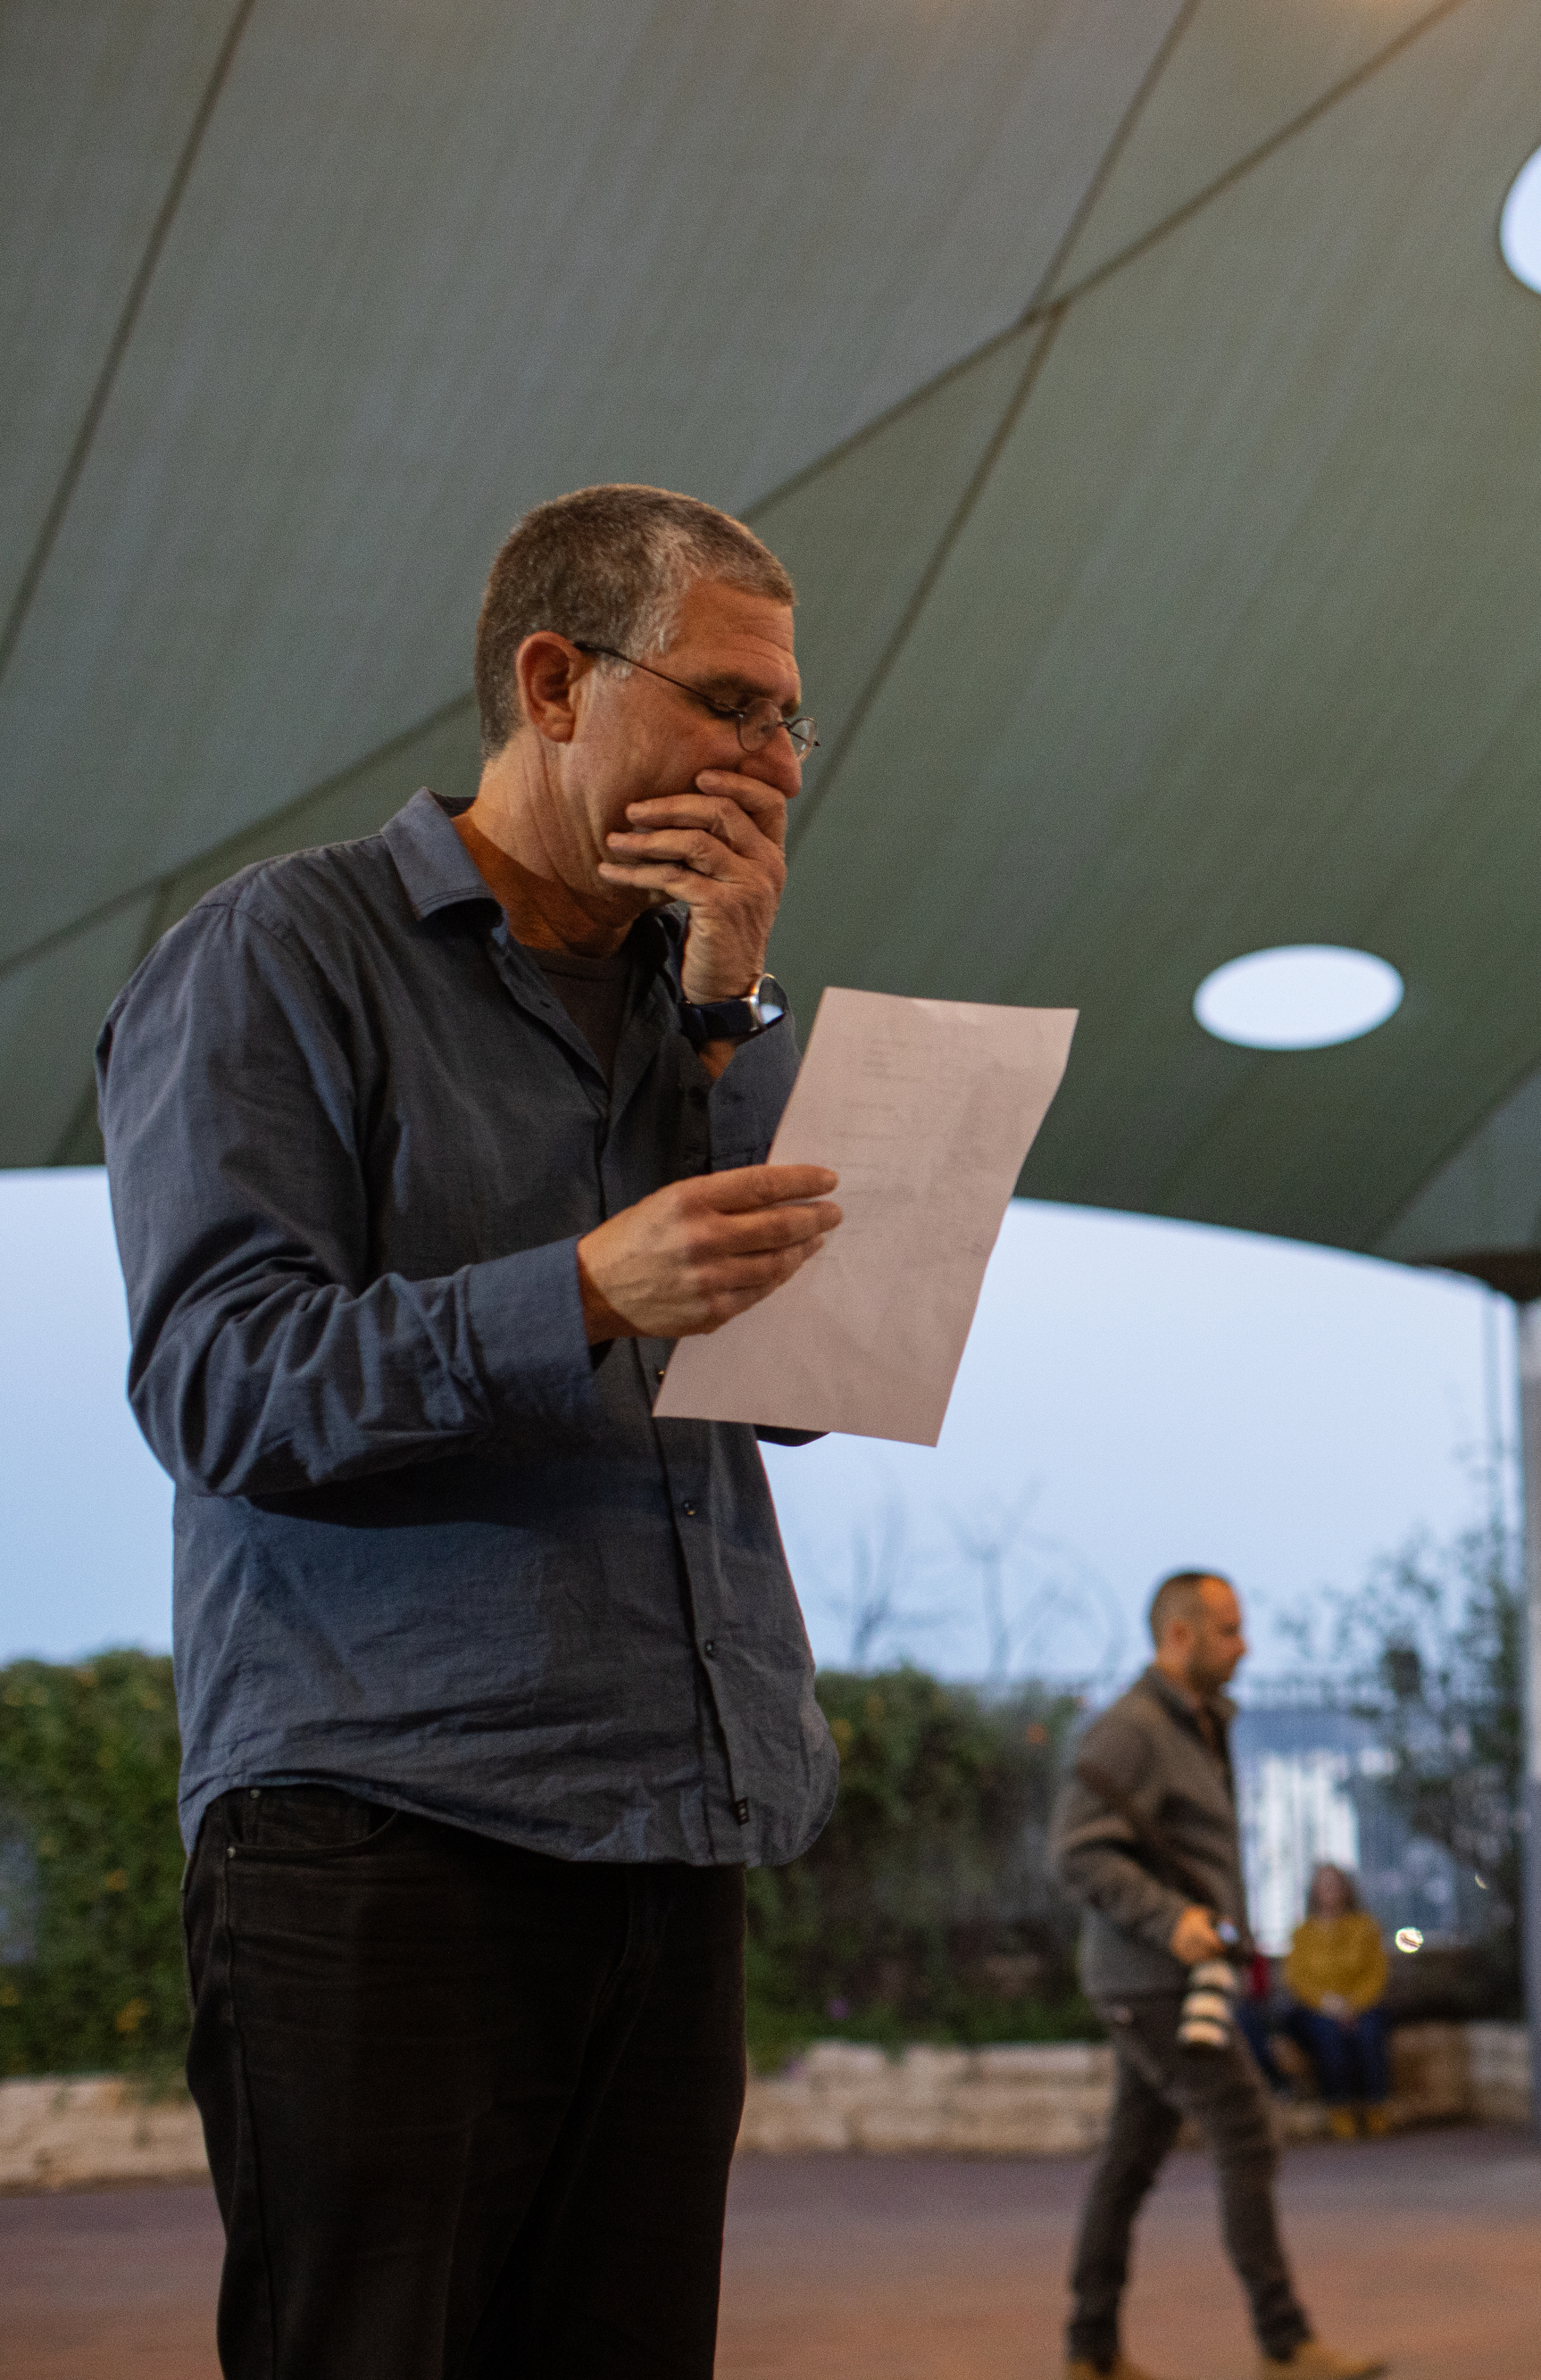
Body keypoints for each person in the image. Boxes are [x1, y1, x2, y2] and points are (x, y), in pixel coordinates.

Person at [98, 485, 849, 2374]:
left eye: (791, 722)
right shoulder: (280, 951)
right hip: (384, 1831)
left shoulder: (714, 1004)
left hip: (671, 1824)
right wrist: (583, 1290)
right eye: (732, 705)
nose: (775, 757)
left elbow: (800, 1385)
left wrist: (730, 1004)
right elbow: (218, 1380)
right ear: (554, 678)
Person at [1052, 1570, 1381, 2380]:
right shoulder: (1132, 1728)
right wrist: (1170, 1920)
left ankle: (1091, 2348)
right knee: (1246, 2131)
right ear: (1179, 1636)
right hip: (1149, 1978)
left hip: (1171, 1980)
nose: (1246, 1645)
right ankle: (1285, 2343)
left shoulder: (1199, 1723)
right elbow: (1076, 1850)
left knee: (1130, 2160)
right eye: (1229, 1629)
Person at [1283, 1864, 1396, 2138]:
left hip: (1362, 2006)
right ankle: (1339, 2108)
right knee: (1328, 2035)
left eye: (1336, 1884)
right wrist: (1328, 2005)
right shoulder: (1302, 1934)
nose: (1331, 1891)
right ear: (1315, 1891)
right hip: (1319, 2009)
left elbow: (1377, 1974)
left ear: (1347, 1890)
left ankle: (1377, 2106)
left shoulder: (1367, 1928)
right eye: (1325, 1885)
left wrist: (1353, 2005)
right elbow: (1297, 1979)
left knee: (1369, 2033)